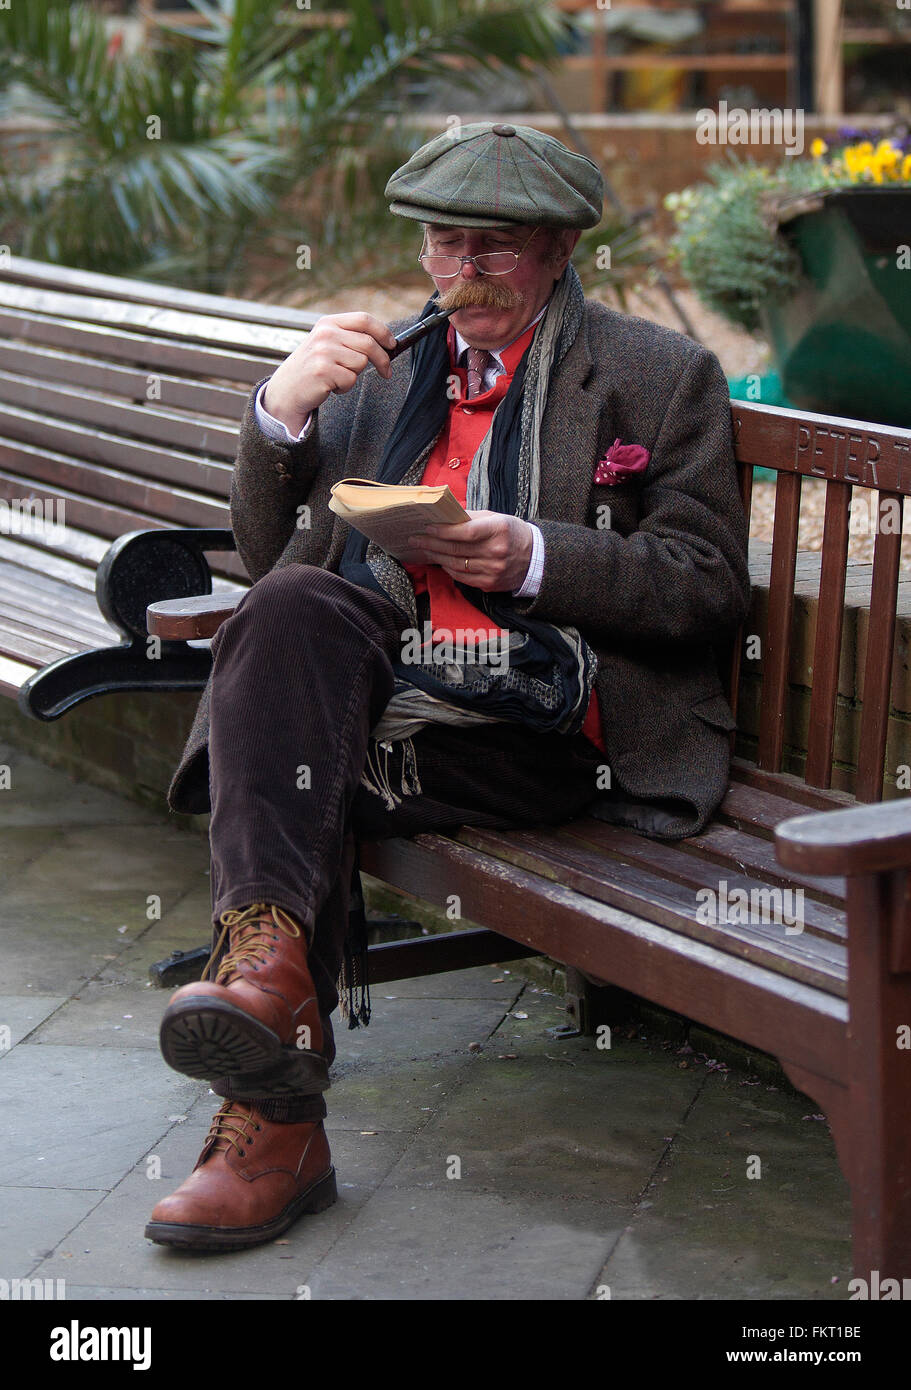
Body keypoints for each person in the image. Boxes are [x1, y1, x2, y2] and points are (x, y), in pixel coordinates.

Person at [145, 122, 750, 1251]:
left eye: (497, 246)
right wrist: (280, 415)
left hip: (552, 722)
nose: (462, 267)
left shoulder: (656, 375)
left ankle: (269, 1117)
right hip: (386, 707)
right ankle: (271, 981)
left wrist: (532, 555)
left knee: (278, 760)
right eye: (442, 239)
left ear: (562, 247)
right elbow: (274, 553)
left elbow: (708, 584)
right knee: (286, 618)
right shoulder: (387, 373)